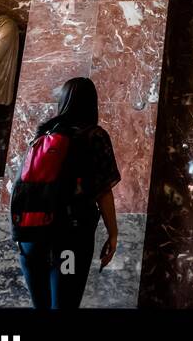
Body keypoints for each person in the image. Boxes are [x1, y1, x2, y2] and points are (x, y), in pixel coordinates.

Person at [13, 77, 120, 309]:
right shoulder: (94, 135)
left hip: (31, 238)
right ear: (92, 103)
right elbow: (103, 191)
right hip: (69, 240)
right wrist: (113, 234)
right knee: (64, 306)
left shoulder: (43, 134)